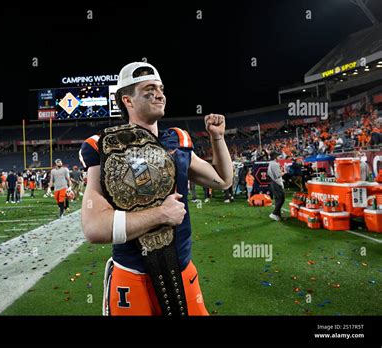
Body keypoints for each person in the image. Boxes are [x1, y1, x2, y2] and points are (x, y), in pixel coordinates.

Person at [79, 62, 233, 316]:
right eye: (149, 89)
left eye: (161, 88)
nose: (160, 94)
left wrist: (217, 138)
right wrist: (161, 214)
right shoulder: (103, 146)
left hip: (182, 269)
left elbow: (223, 180)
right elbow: (95, 227)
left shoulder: (178, 139)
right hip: (133, 276)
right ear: (127, 100)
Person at [268, 152, 285, 222]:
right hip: (276, 183)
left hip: (273, 182)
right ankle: (274, 213)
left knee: (278, 199)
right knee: (281, 199)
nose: (279, 157)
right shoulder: (275, 164)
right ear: (275, 157)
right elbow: (278, 175)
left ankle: (278, 215)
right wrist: (284, 172)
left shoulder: (271, 163)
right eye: (278, 156)